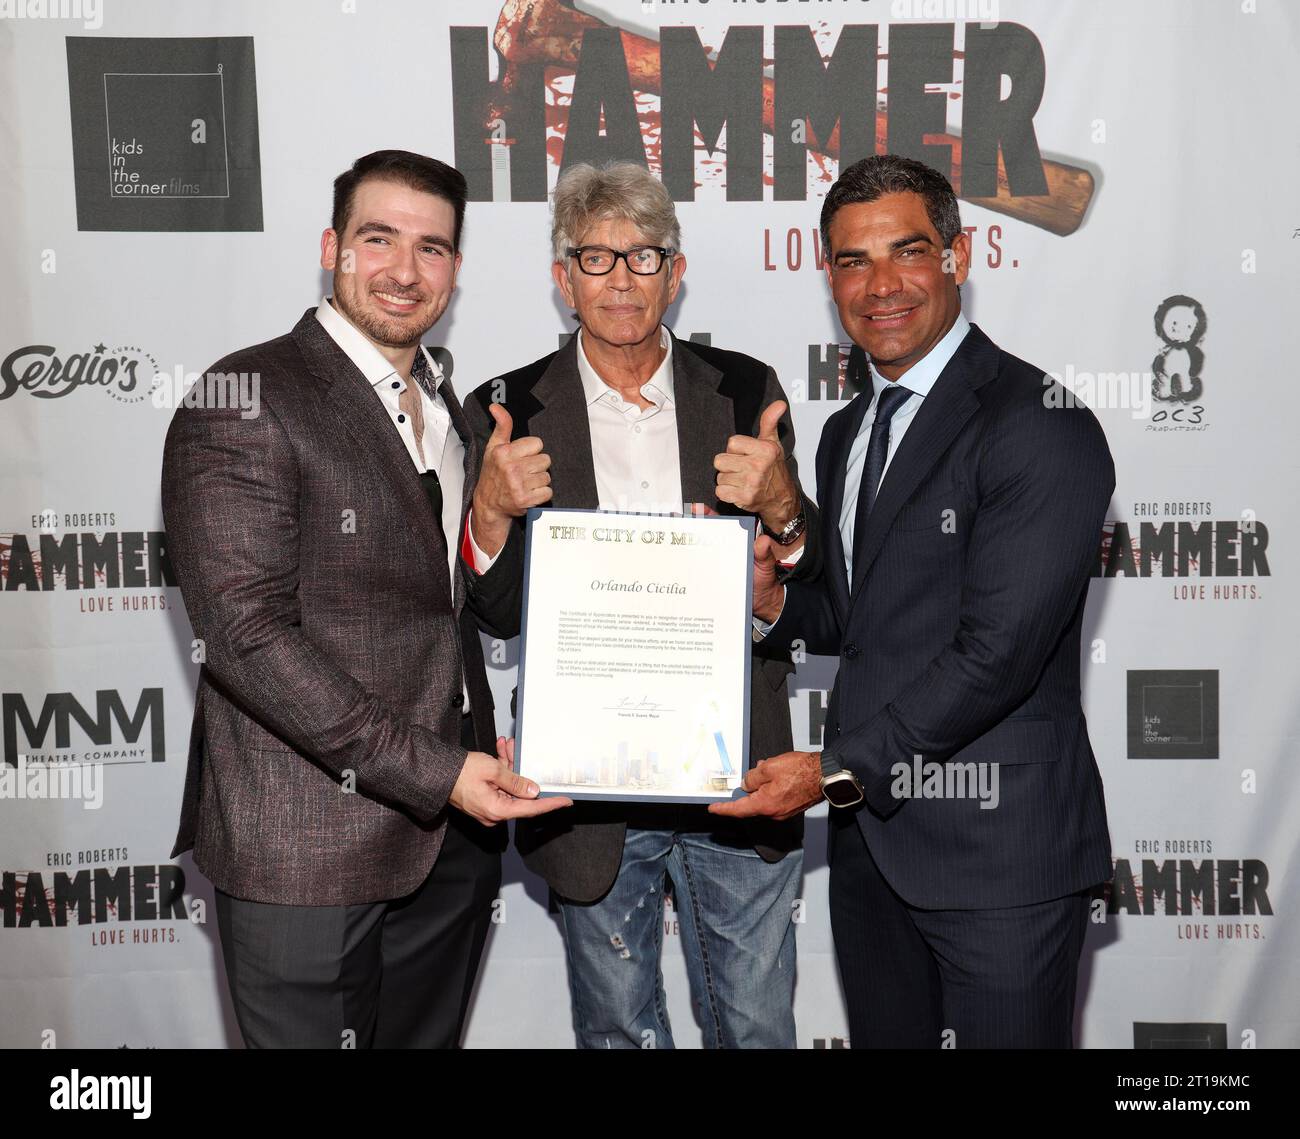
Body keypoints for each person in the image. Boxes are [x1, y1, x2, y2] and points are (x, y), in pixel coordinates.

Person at [161, 150, 568, 1049]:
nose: (404, 270)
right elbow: (249, 639)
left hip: (451, 844)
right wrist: (439, 770)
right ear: (331, 248)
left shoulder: (452, 408)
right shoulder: (245, 397)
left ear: (456, 270)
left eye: (432, 248)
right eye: (378, 238)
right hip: (307, 847)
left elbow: (447, 612)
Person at [713, 154, 1114, 1049]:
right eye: (853, 260)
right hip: (873, 854)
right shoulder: (849, 429)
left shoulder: (1039, 420)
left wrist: (830, 768)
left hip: (999, 859)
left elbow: (996, 655)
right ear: (828, 274)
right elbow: (863, 625)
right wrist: (776, 601)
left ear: (959, 257)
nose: (881, 285)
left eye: (909, 251)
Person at [463, 161, 819, 1049]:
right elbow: (498, 612)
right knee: (619, 1032)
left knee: (758, 1028)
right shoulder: (505, 410)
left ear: (677, 270)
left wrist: (782, 526)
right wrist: (490, 511)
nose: (622, 279)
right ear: (562, 277)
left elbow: (805, 580)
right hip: (586, 787)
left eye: (644, 257)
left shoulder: (746, 388)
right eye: (596, 258)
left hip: (737, 768)